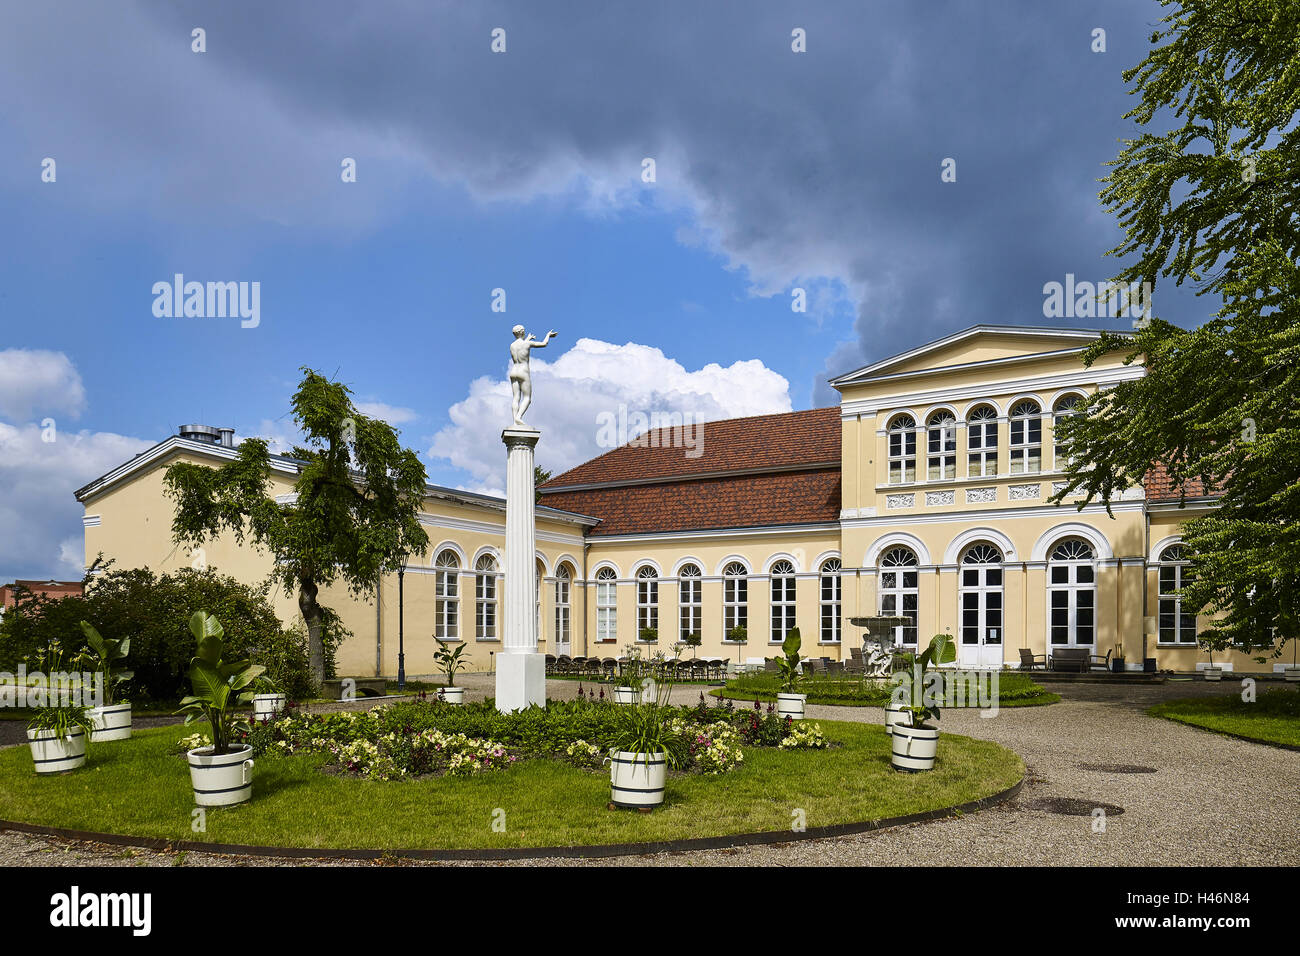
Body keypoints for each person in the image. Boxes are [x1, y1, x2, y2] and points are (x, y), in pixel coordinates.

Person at [508, 325, 557, 426]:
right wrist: (548, 335)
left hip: (513, 371)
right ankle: (518, 417)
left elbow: (521, 347)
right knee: (527, 398)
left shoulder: (512, 345)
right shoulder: (528, 343)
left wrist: (527, 339)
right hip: (523, 372)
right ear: (521, 332)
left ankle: (514, 421)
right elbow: (544, 344)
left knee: (516, 397)